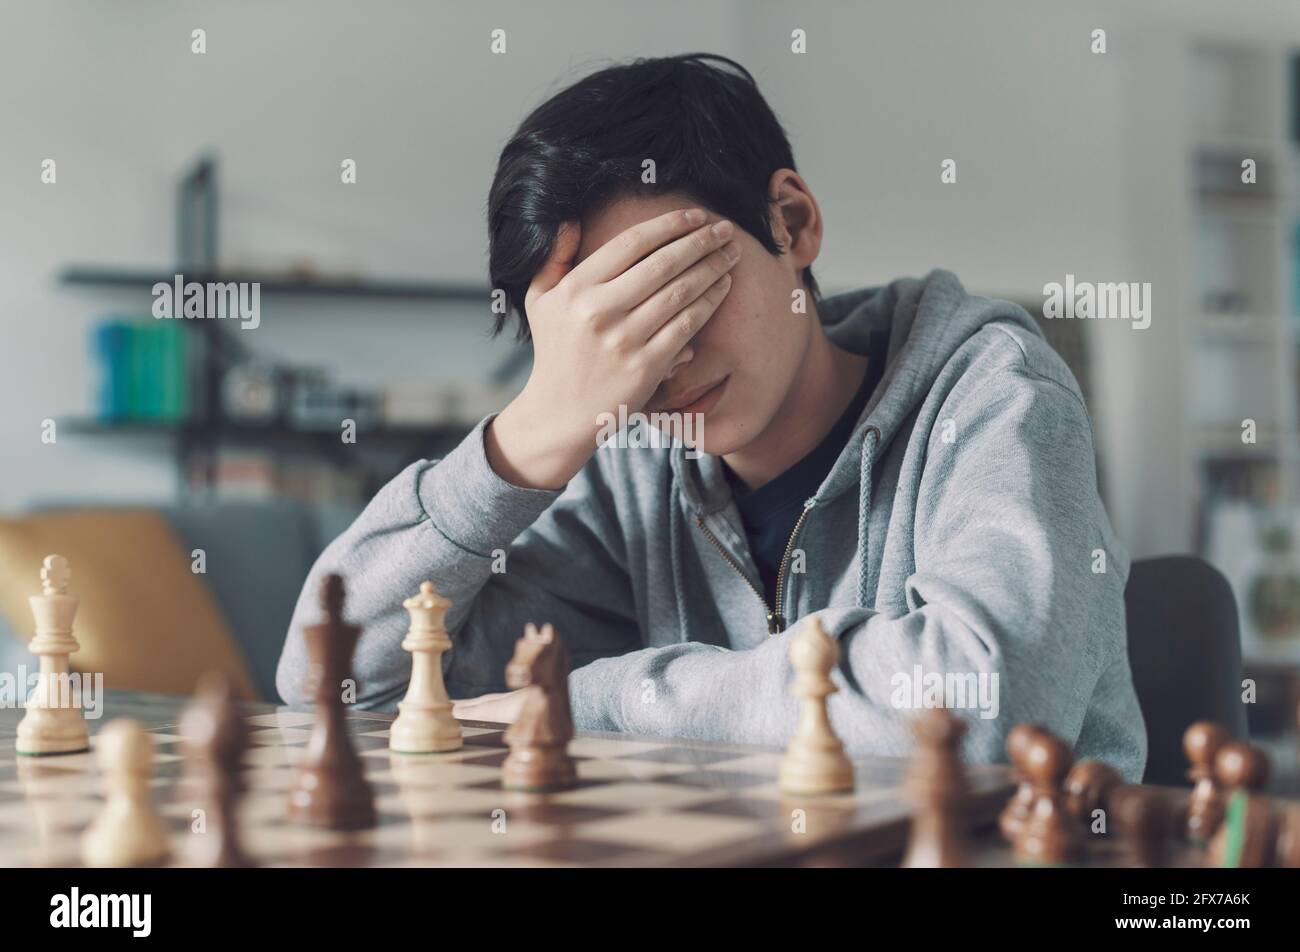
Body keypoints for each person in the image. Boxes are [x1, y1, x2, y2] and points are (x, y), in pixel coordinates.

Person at [276, 53, 1146, 780]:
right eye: (609, 333)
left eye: (675, 292)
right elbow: (336, 684)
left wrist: (594, 698)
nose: (660, 362)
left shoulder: (994, 390)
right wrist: (539, 425)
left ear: (793, 223)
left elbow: (981, 707)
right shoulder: (632, 471)